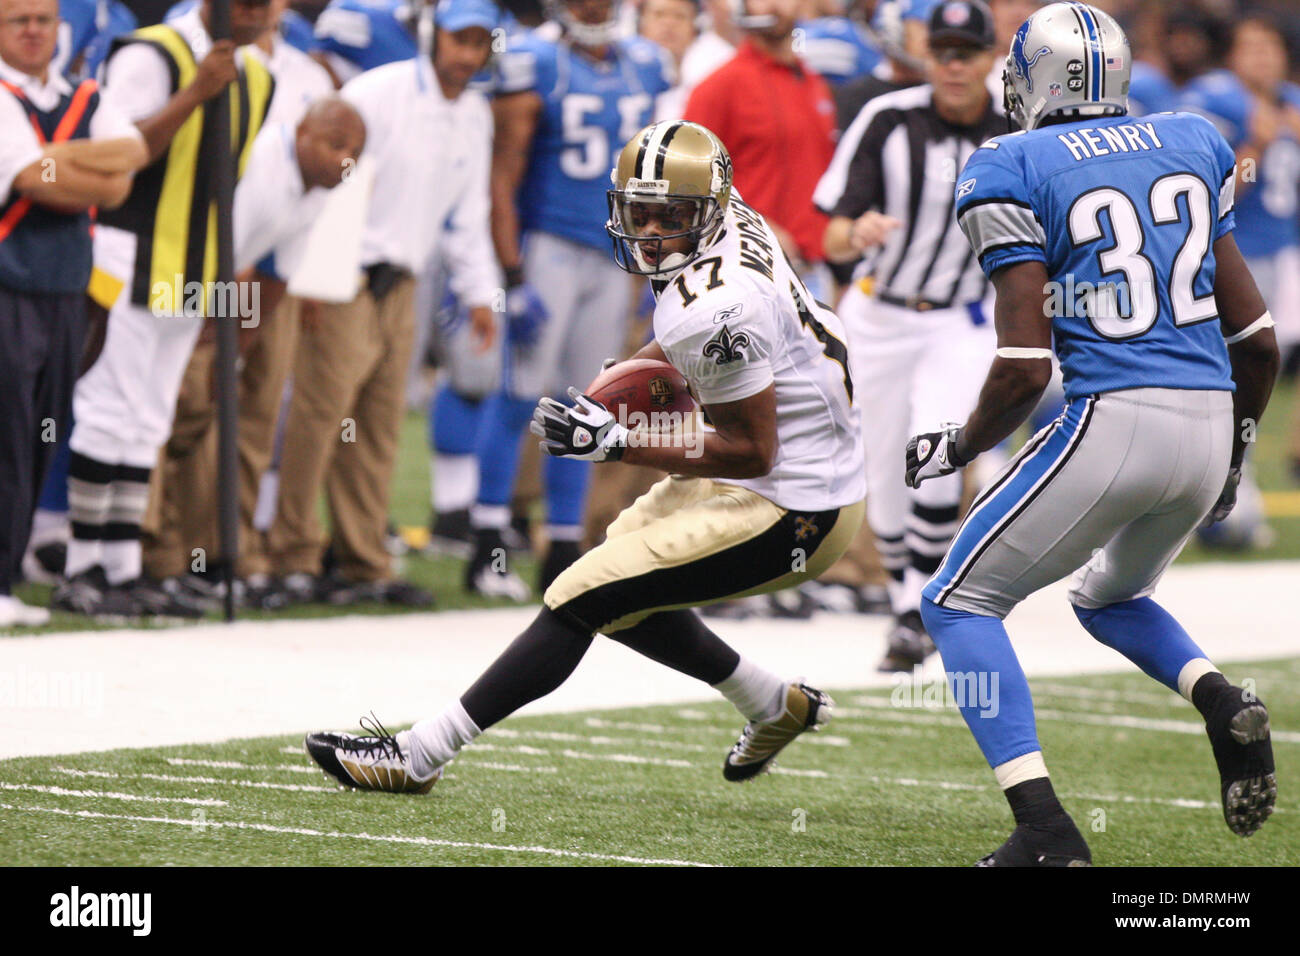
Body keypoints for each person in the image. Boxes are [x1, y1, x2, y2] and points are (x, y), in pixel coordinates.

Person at [304, 120, 866, 795]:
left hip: (798, 506)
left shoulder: (718, 304)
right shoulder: (728, 227)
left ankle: (419, 755)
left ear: (710, 210)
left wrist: (617, 441)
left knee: (581, 591)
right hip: (802, 460)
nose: (653, 231)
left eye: (672, 216)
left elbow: (751, 449)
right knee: (616, 589)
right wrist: (633, 373)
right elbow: (698, 340)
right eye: (640, 212)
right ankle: (772, 702)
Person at [912, 2, 1278, 865]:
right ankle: (1223, 704)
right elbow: (1257, 343)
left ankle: (1044, 831)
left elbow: (1022, 367)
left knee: (956, 602)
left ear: (1039, 77)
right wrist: (1233, 455)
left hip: (1112, 419)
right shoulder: (1190, 136)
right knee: (1108, 597)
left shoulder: (1009, 160)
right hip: (1205, 425)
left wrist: (960, 448)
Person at [265, 0, 500, 606]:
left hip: (407, 281)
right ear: (434, 36)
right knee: (320, 418)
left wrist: (479, 292)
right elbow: (323, 180)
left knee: (375, 425)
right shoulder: (379, 91)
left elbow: (468, 212)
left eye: (479, 44)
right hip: (344, 272)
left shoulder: (474, 114)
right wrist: (311, 275)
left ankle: (362, 560)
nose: (467, 55)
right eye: (459, 41)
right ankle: (291, 555)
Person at [52, 0, 276, 618]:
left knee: (149, 416)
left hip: (197, 262)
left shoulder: (259, 73)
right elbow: (122, 154)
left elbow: (235, 183)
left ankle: (122, 569)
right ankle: (80, 567)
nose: (261, 14)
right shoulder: (152, 52)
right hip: (128, 249)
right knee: (106, 406)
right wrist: (196, 91)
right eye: (249, 4)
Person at [814, 0, 1002, 671]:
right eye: (943, 49)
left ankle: (920, 604)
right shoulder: (888, 118)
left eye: (968, 52)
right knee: (883, 467)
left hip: (962, 316)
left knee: (939, 445)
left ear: (990, 56)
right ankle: (904, 600)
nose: (954, 64)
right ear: (926, 52)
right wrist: (855, 234)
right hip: (881, 312)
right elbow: (831, 229)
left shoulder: (1016, 129)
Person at [464, 0, 671, 599]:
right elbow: (503, 171)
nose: (595, 7)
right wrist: (512, 272)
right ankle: (487, 544)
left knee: (586, 404)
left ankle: (562, 549)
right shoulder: (535, 61)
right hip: (547, 244)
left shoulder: (645, 65)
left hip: (611, 251)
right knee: (518, 396)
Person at [0, 0, 147, 627]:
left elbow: (130, 163)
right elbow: (34, 180)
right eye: (18, 20)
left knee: (43, 429)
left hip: (66, 290)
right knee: (7, 434)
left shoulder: (82, 93)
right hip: (9, 284)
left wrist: (65, 166)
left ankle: (9, 569)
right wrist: (82, 165)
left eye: (44, 19)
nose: (34, 30)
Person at [684, 0, 836, 287]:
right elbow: (690, 180)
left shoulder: (814, 83)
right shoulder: (718, 86)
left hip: (812, 270)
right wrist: (752, 223)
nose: (774, 5)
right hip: (743, 268)